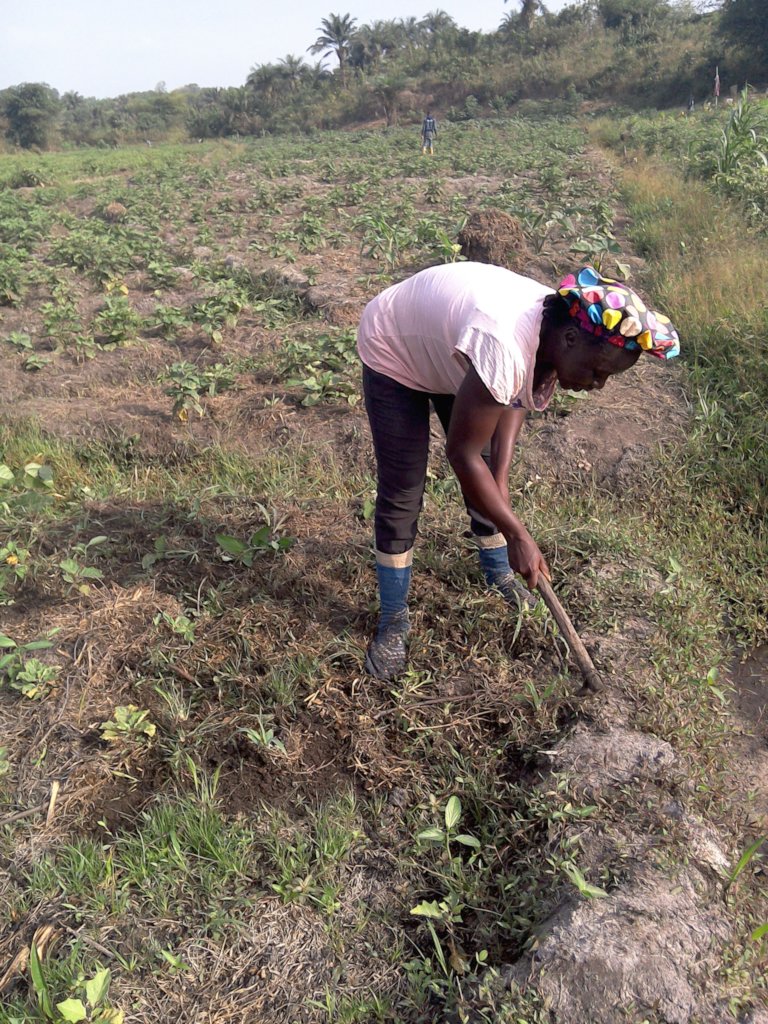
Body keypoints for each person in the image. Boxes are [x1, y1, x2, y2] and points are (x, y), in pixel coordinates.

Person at [357, 262, 680, 680]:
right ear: (569, 340)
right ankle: (393, 622)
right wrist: (518, 535)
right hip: (396, 344)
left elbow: (512, 404)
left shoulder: (555, 330)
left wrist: (501, 485)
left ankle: (496, 575)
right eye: (598, 371)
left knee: (489, 470)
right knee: (404, 487)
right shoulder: (505, 344)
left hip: (452, 345)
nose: (599, 385)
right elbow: (461, 454)